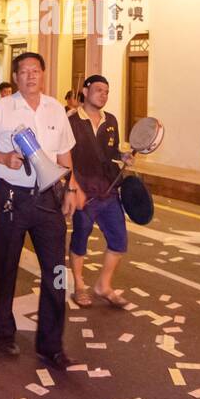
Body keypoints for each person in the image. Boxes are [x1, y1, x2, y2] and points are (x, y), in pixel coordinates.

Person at [0, 52, 80, 368]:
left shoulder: (56, 109)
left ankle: (52, 345)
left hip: (48, 198)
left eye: (35, 70)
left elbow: (64, 152)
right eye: (23, 71)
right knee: (5, 267)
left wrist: (71, 189)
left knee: (56, 272)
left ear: (43, 75)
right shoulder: (2, 108)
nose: (30, 76)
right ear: (16, 77)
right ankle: (4, 333)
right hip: (10, 198)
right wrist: (3, 158)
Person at [67, 75, 132, 308]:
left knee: (119, 240)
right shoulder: (71, 121)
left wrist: (123, 156)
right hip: (84, 192)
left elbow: (112, 151)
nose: (103, 95)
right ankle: (79, 284)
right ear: (85, 92)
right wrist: (72, 187)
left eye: (106, 91)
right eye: (98, 90)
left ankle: (103, 285)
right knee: (80, 239)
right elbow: (64, 156)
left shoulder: (111, 120)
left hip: (109, 191)